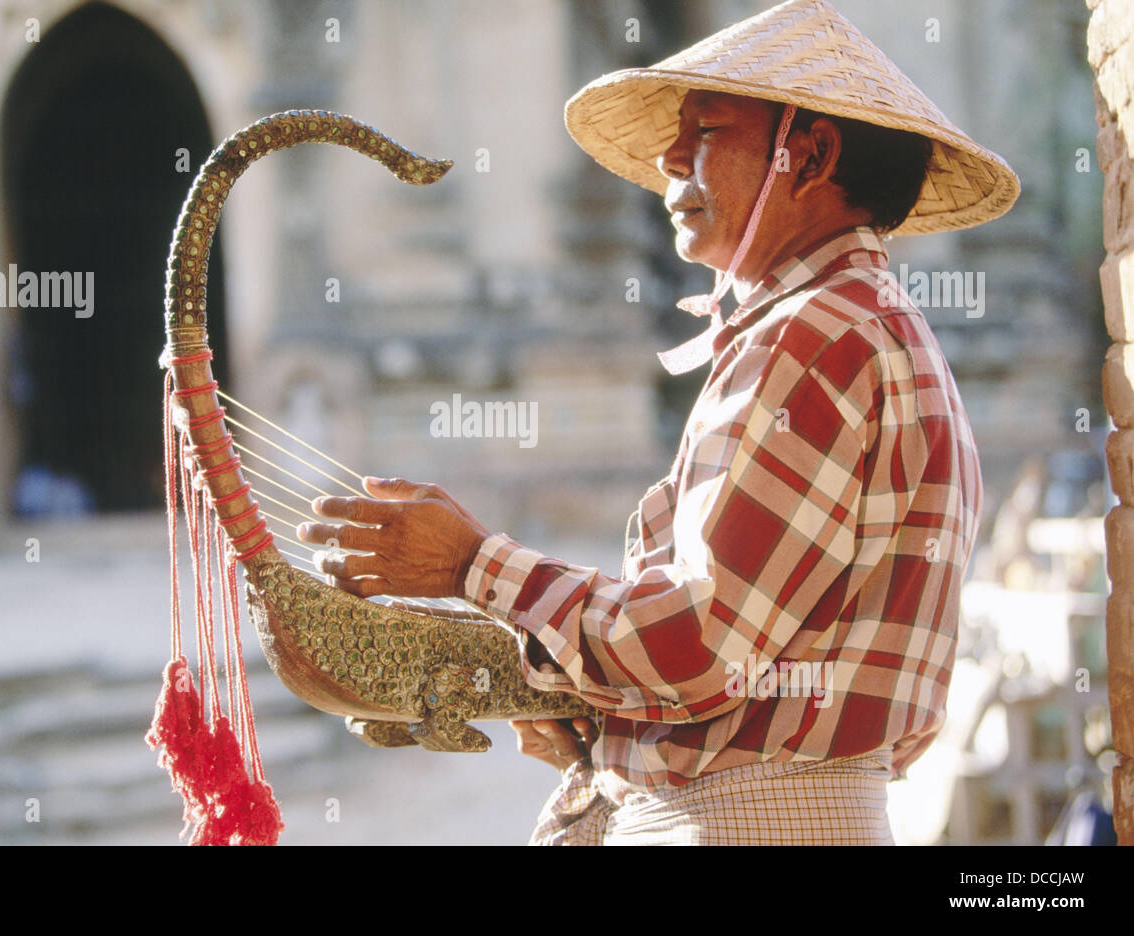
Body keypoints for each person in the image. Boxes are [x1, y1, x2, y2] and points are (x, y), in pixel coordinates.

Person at [298, 0, 1019, 844]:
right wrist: (583, 702)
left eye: (706, 129)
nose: (670, 157)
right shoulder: (849, 324)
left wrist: (474, 564)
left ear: (809, 155)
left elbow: (703, 644)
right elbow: (751, 662)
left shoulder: (819, 335)